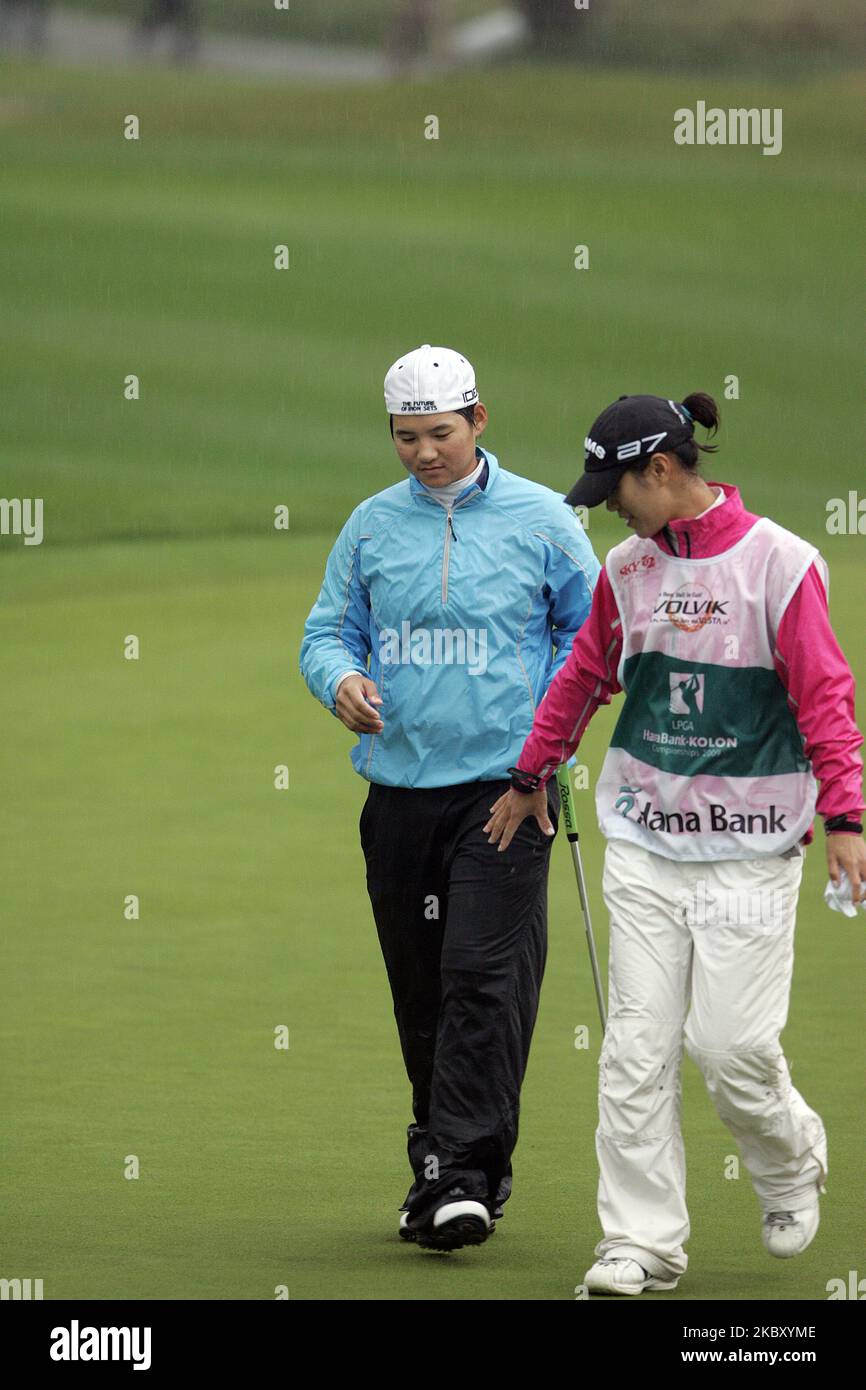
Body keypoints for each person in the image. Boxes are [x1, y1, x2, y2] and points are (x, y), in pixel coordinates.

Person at [484, 391, 865, 1293]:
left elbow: (826, 700)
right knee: (634, 1051)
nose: (610, 506)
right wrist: (530, 772)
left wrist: (847, 820)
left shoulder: (781, 564)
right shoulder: (628, 568)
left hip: (751, 847)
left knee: (730, 1050)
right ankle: (641, 1244)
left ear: (662, 469)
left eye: (616, 487)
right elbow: (585, 674)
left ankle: (787, 1160)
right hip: (648, 845)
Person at [300, 345, 600, 1251]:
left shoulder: (545, 520)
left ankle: (460, 1174)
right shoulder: (370, 526)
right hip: (397, 795)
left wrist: (540, 753)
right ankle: (448, 1171)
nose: (423, 452)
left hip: (504, 791)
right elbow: (327, 632)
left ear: (478, 420)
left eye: (439, 433)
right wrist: (341, 681)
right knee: (423, 988)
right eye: (405, 436)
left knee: (480, 976)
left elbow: (590, 640)